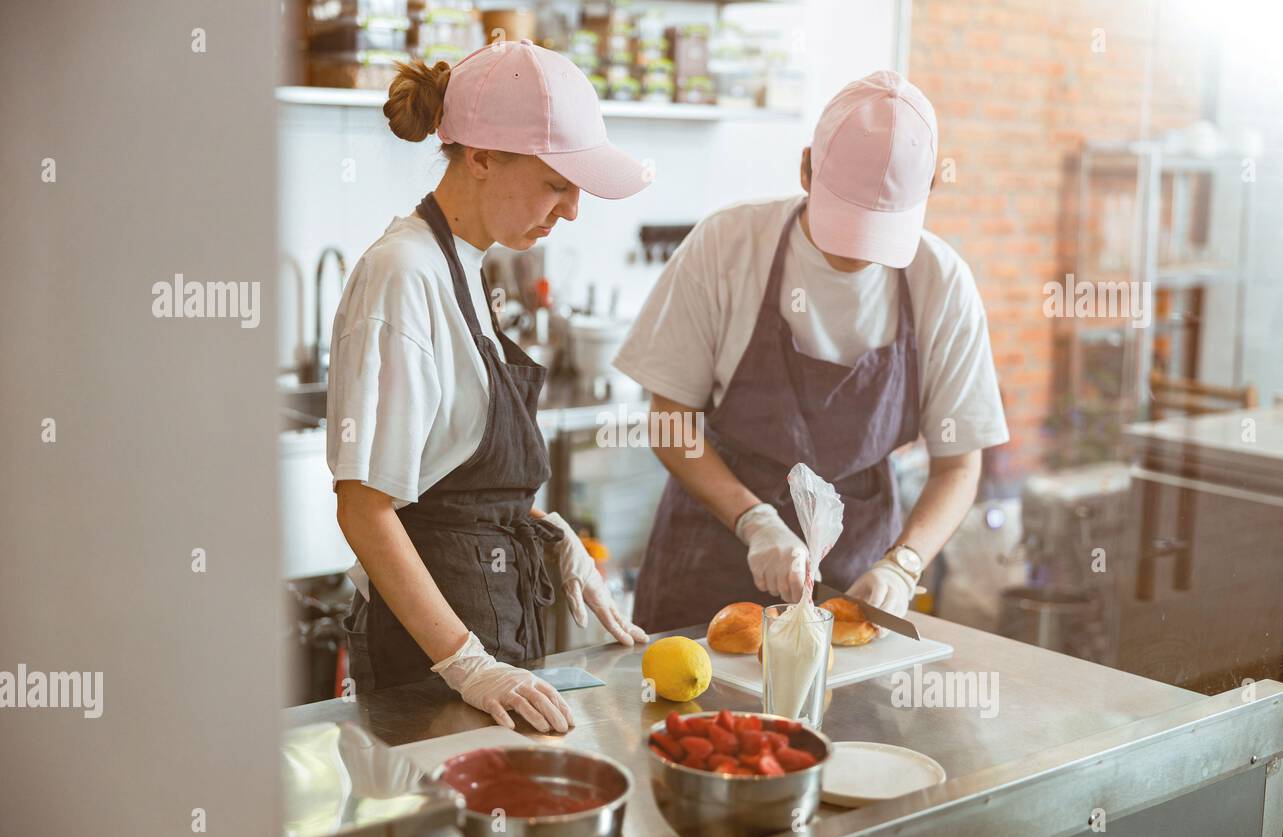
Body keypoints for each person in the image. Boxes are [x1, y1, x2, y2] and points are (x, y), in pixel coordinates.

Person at [327, 40, 649, 733]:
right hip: (433, 660)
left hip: (491, 638)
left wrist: (546, 532)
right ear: (479, 157)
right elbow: (364, 508)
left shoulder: (463, 265)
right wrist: (467, 663)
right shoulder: (403, 274)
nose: (571, 211)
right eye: (556, 184)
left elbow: (450, 474)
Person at [614, 70, 1009, 633]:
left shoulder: (941, 283)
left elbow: (959, 463)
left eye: (878, 233)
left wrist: (903, 564)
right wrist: (756, 521)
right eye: (844, 222)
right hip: (711, 556)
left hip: (855, 573)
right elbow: (670, 421)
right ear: (805, 168)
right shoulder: (728, 244)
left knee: (842, 722)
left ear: (927, 196)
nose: (855, 253)